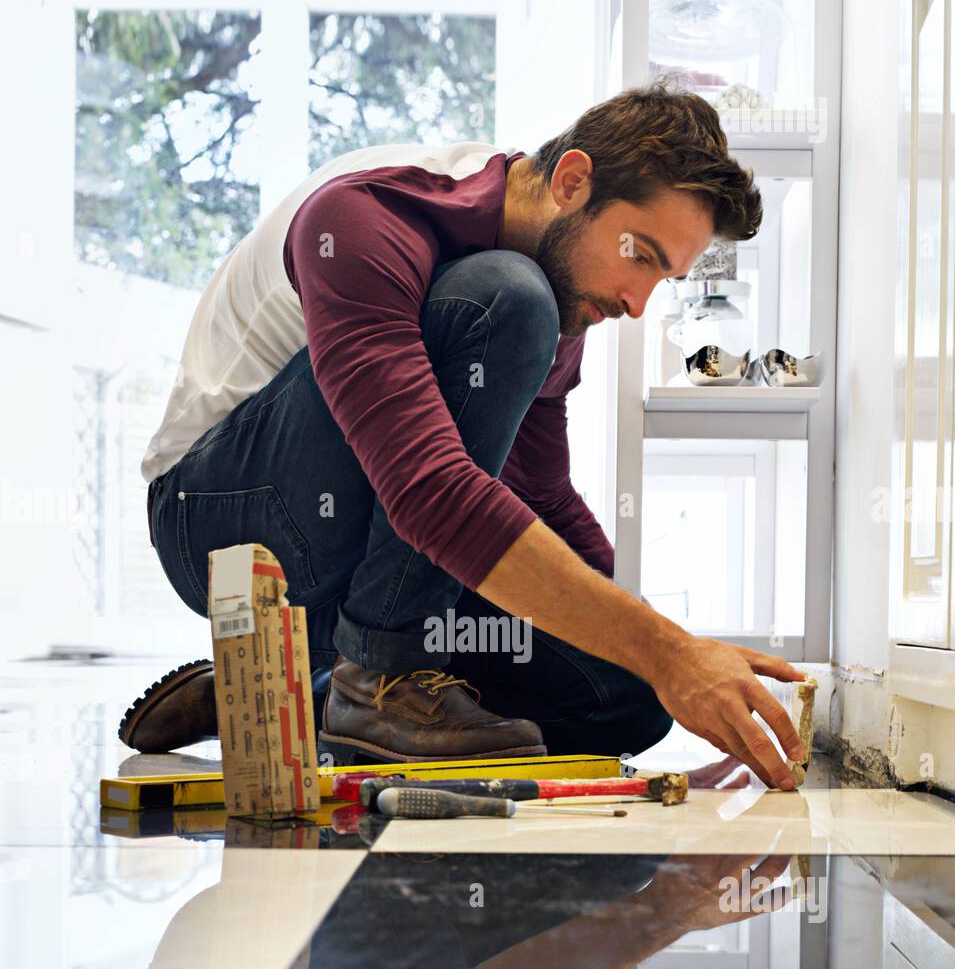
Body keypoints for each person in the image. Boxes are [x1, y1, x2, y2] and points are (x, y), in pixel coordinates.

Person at [121, 82, 805, 788]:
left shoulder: (562, 300)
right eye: (641, 256)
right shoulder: (367, 216)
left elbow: (542, 494)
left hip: (362, 561)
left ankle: (297, 692)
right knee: (507, 295)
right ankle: (375, 681)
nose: (637, 304)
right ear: (572, 181)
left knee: (622, 699)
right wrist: (666, 651)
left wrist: (668, 656)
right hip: (215, 521)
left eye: (665, 279)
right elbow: (428, 492)